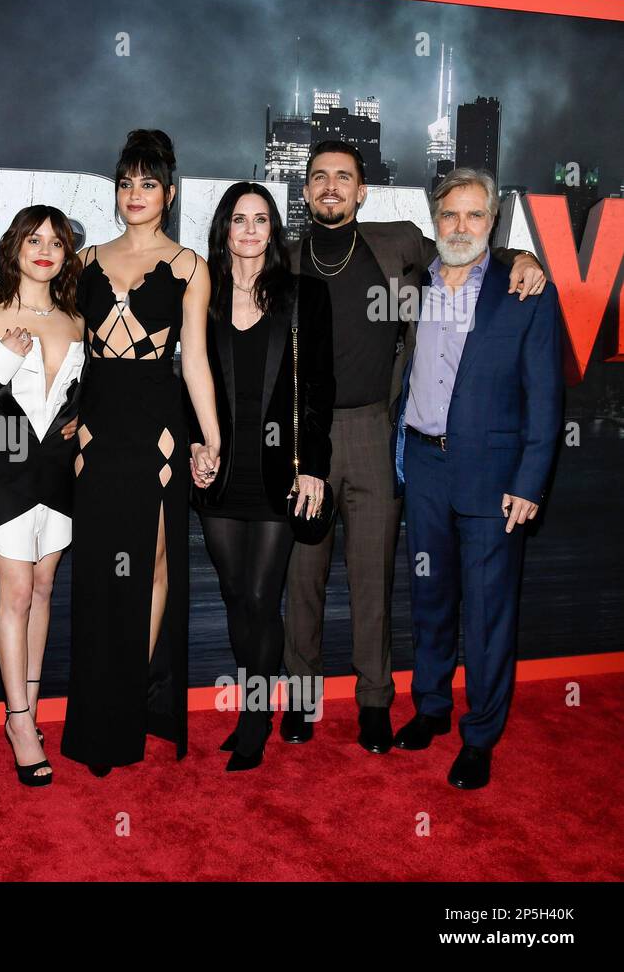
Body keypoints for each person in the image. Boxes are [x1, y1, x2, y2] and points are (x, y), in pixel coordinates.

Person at [281, 140, 547, 753]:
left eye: (342, 177)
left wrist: (524, 255)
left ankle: (375, 701)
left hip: (378, 431)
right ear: (306, 190)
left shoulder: (399, 242)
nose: (330, 186)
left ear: (361, 190)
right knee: (303, 577)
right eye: (319, 177)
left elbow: (469, 248)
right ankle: (301, 699)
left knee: (375, 578)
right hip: (306, 438)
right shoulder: (285, 257)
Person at [0, 130, 218, 774]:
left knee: (156, 563)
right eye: (126, 182)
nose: (136, 195)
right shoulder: (88, 264)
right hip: (95, 434)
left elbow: (194, 359)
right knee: (92, 575)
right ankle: (91, 707)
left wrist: (211, 435)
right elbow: (35, 295)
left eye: (149, 183)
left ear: (169, 193)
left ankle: (130, 697)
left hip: (160, 429)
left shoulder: (191, 266)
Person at [391, 168, 562, 790]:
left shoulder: (525, 289)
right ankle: (431, 708)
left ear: (494, 222)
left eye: (474, 216)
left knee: (488, 613)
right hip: (423, 464)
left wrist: (530, 480)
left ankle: (481, 735)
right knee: (431, 601)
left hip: (494, 477)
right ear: (435, 220)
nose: (460, 227)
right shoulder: (414, 284)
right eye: (449, 216)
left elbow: (546, 398)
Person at [192, 182, 334, 771]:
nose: (250, 230)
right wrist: (197, 442)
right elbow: (186, 381)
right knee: (232, 594)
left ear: (274, 229)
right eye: (239, 219)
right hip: (222, 472)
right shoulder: (202, 297)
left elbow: (320, 388)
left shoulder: (303, 296)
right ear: (224, 228)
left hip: (279, 472)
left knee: (259, 594)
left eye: (261, 219)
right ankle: (255, 702)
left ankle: (256, 715)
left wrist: (315, 470)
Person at [0, 206, 86, 786]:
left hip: (58, 471)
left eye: (56, 241)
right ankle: (20, 721)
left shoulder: (80, 318)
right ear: (15, 247)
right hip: (2, 471)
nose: (45, 249)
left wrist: (83, 426)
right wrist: (6, 351)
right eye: (34, 239)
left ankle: (28, 704)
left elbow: (91, 392)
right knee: (18, 589)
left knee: (46, 587)